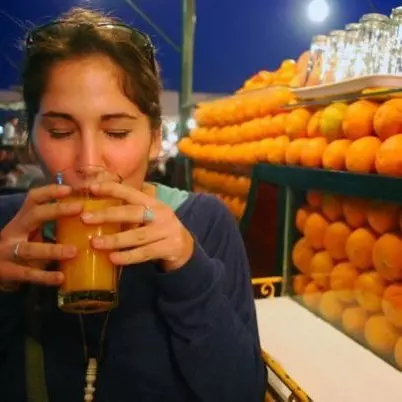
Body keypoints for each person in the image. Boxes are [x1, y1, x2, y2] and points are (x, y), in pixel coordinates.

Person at [0, 8, 266, 402]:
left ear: (155, 139)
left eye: (117, 131)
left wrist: (187, 268)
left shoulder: (204, 224)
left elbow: (243, 392)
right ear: (31, 137)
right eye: (60, 131)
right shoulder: (8, 227)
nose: (89, 163)